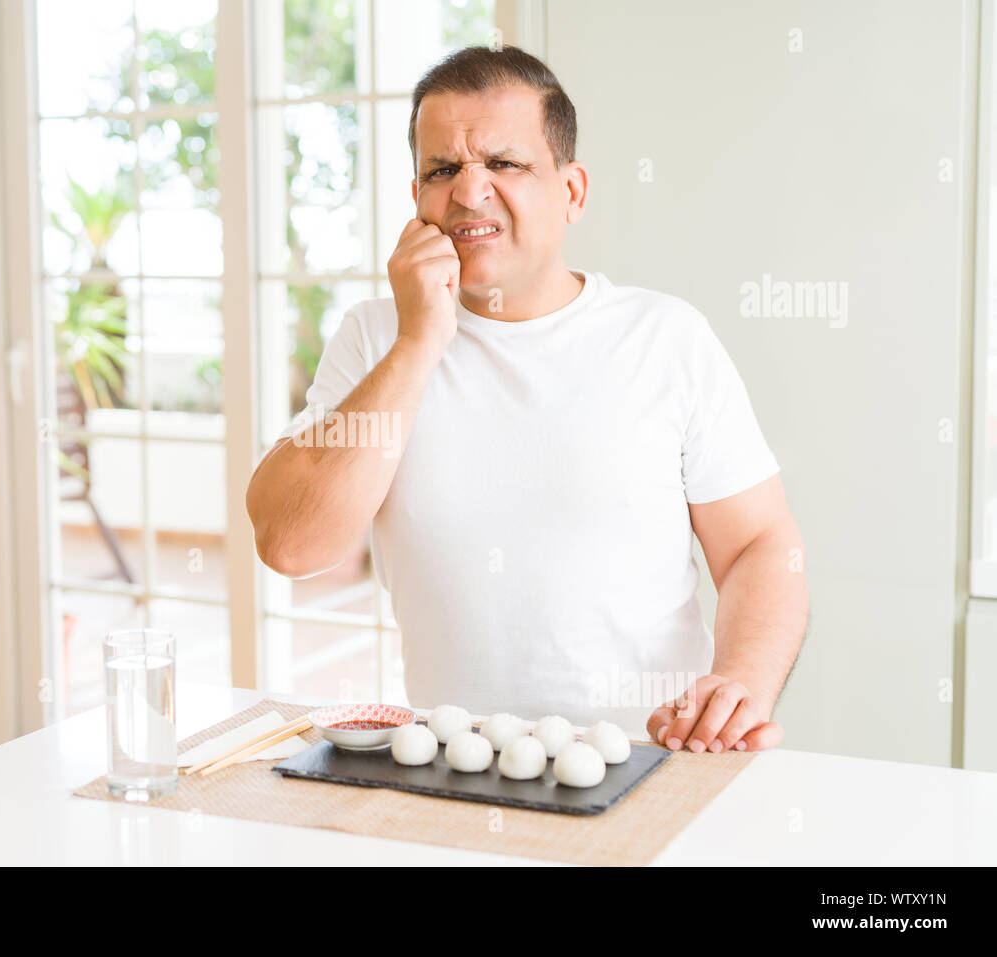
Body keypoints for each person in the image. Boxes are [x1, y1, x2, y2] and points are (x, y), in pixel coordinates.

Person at [246, 45, 808, 754]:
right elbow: (292, 543)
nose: (468, 191)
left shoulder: (667, 338)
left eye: (503, 164)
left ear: (572, 191)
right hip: (456, 766)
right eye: (441, 170)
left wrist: (740, 681)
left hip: (652, 759)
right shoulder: (375, 338)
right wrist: (420, 341)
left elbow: (761, 543)